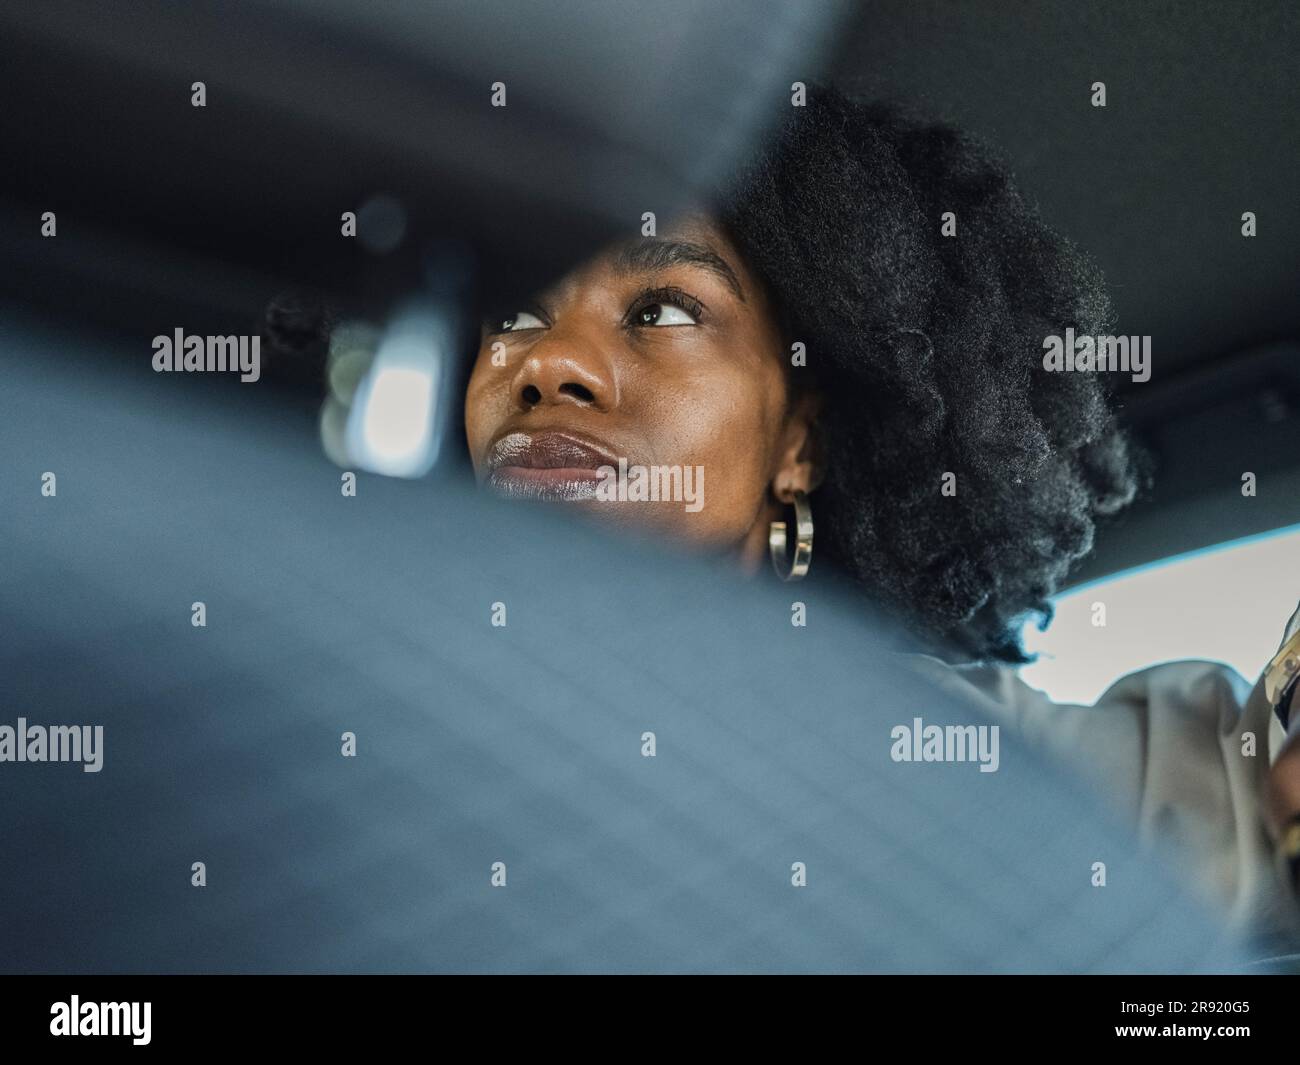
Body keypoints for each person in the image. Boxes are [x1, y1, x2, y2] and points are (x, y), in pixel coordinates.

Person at [461, 82, 1300, 949]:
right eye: (516, 315)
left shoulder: (939, 746)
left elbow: (1242, 807)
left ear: (800, 443)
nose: (547, 362)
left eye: (661, 309)